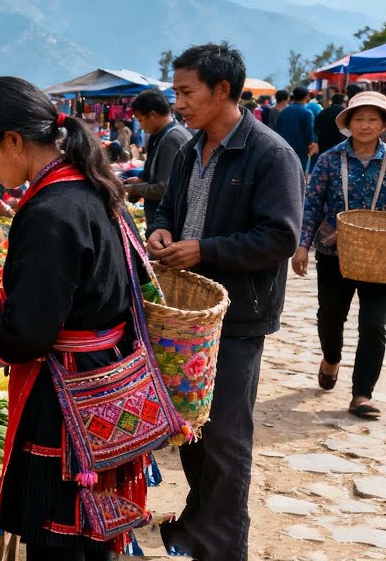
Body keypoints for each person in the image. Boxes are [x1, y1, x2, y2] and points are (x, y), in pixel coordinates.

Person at [0, 76, 169, 560]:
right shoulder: (90, 185)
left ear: (13, 141)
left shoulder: (49, 211)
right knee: (93, 535)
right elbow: (83, 288)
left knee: (62, 540)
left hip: (67, 397)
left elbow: (28, 335)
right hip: (104, 376)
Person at [148, 43, 302, 561]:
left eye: (186, 92)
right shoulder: (190, 151)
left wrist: (205, 250)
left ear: (222, 90)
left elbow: (280, 237)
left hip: (238, 317)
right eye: (175, 92)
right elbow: (169, 208)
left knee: (226, 438)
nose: (178, 103)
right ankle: (197, 528)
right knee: (192, 429)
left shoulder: (271, 155)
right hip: (189, 316)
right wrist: (162, 230)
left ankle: (225, 546)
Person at [293, 91, 386, 419]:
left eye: (373, 119)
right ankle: (331, 358)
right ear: (348, 123)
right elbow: (312, 204)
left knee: (374, 326)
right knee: (330, 316)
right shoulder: (330, 160)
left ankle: (362, 393)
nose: (365, 125)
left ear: (382, 125)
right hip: (333, 252)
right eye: (359, 118)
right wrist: (302, 245)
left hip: (380, 257)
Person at [124, 89, 193, 209]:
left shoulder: (171, 138)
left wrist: (134, 189)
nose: (140, 125)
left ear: (153, 115)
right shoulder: (159, 135)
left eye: (140, 120)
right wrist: (139, 179)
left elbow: (164, 188)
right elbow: (153, 173)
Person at [276, 86, 316, 172]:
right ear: (306, 96)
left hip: (283, 147)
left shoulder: (284, 112)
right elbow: (309, 134)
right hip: (300, 150)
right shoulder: (307, 113)